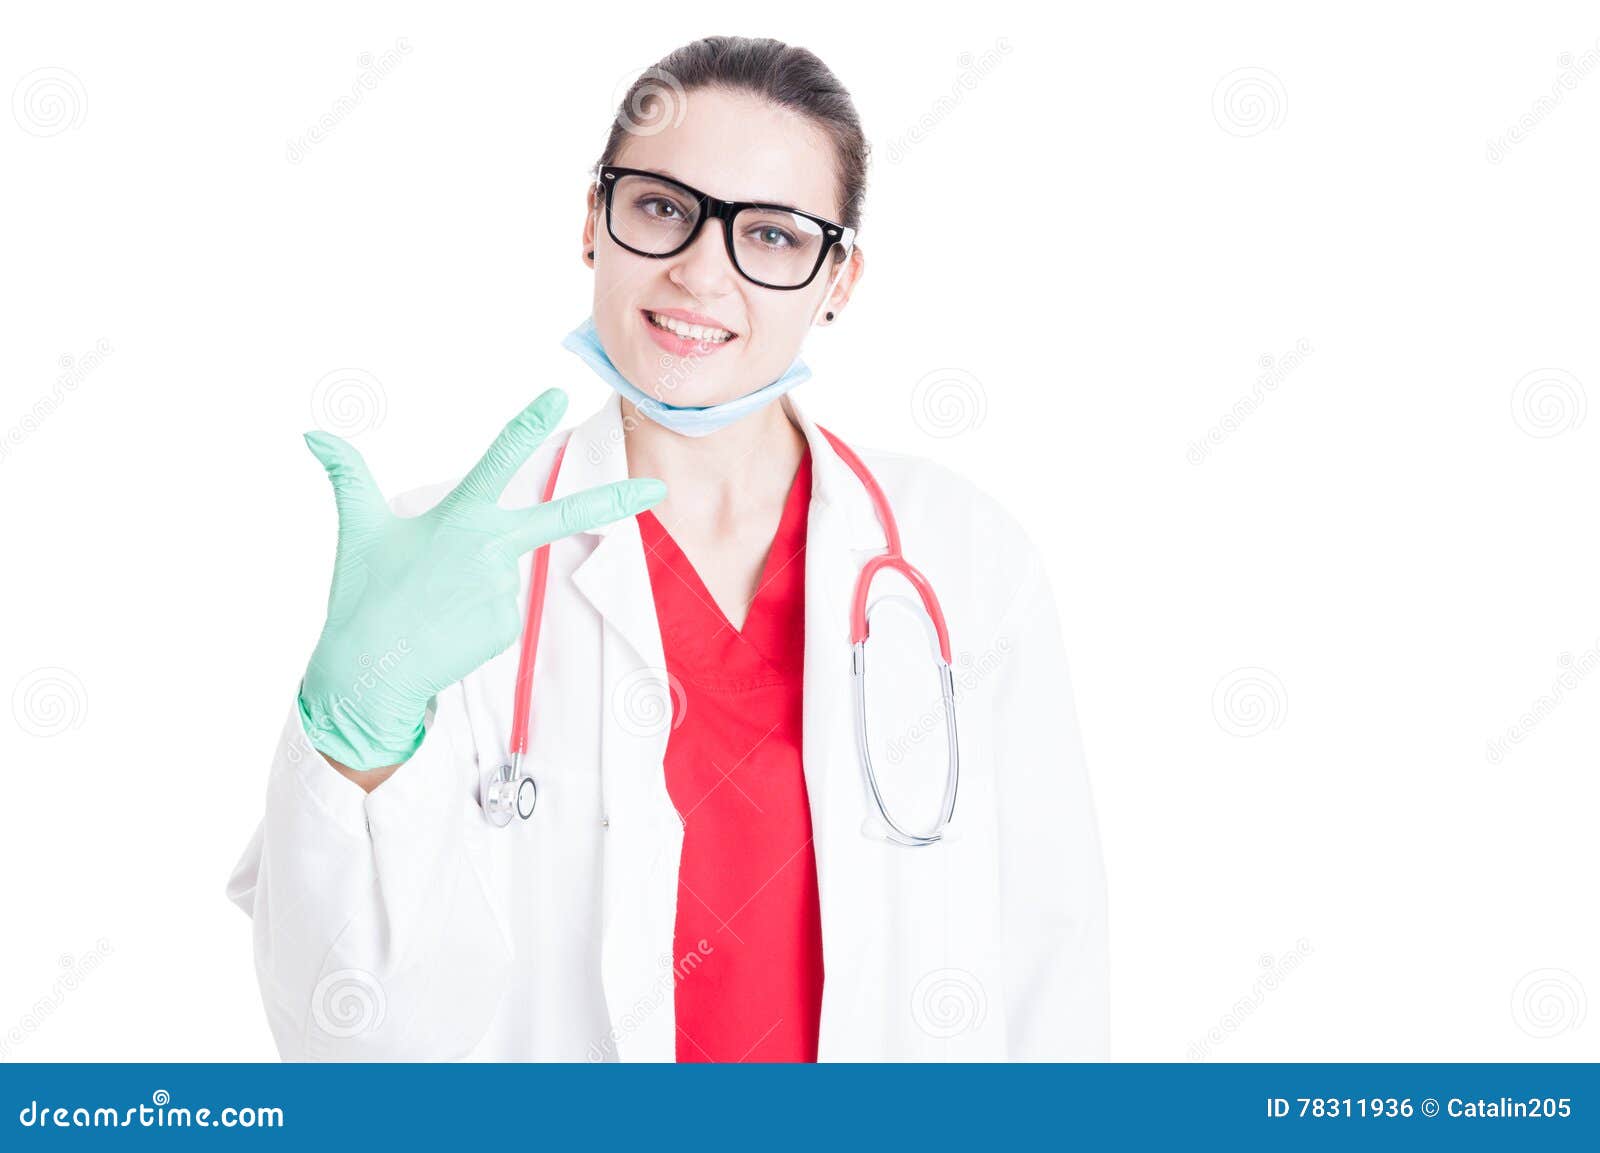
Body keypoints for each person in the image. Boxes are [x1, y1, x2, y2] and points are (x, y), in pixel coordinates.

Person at [228, 34, 1108, 1062]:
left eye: (773, 236)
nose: (699, 272)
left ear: (840, 278)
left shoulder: (961, 555)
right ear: (592, 223)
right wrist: (349, 739)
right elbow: (344, 1029)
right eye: (660, 207)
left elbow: (1054, 958)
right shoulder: (457, 561)